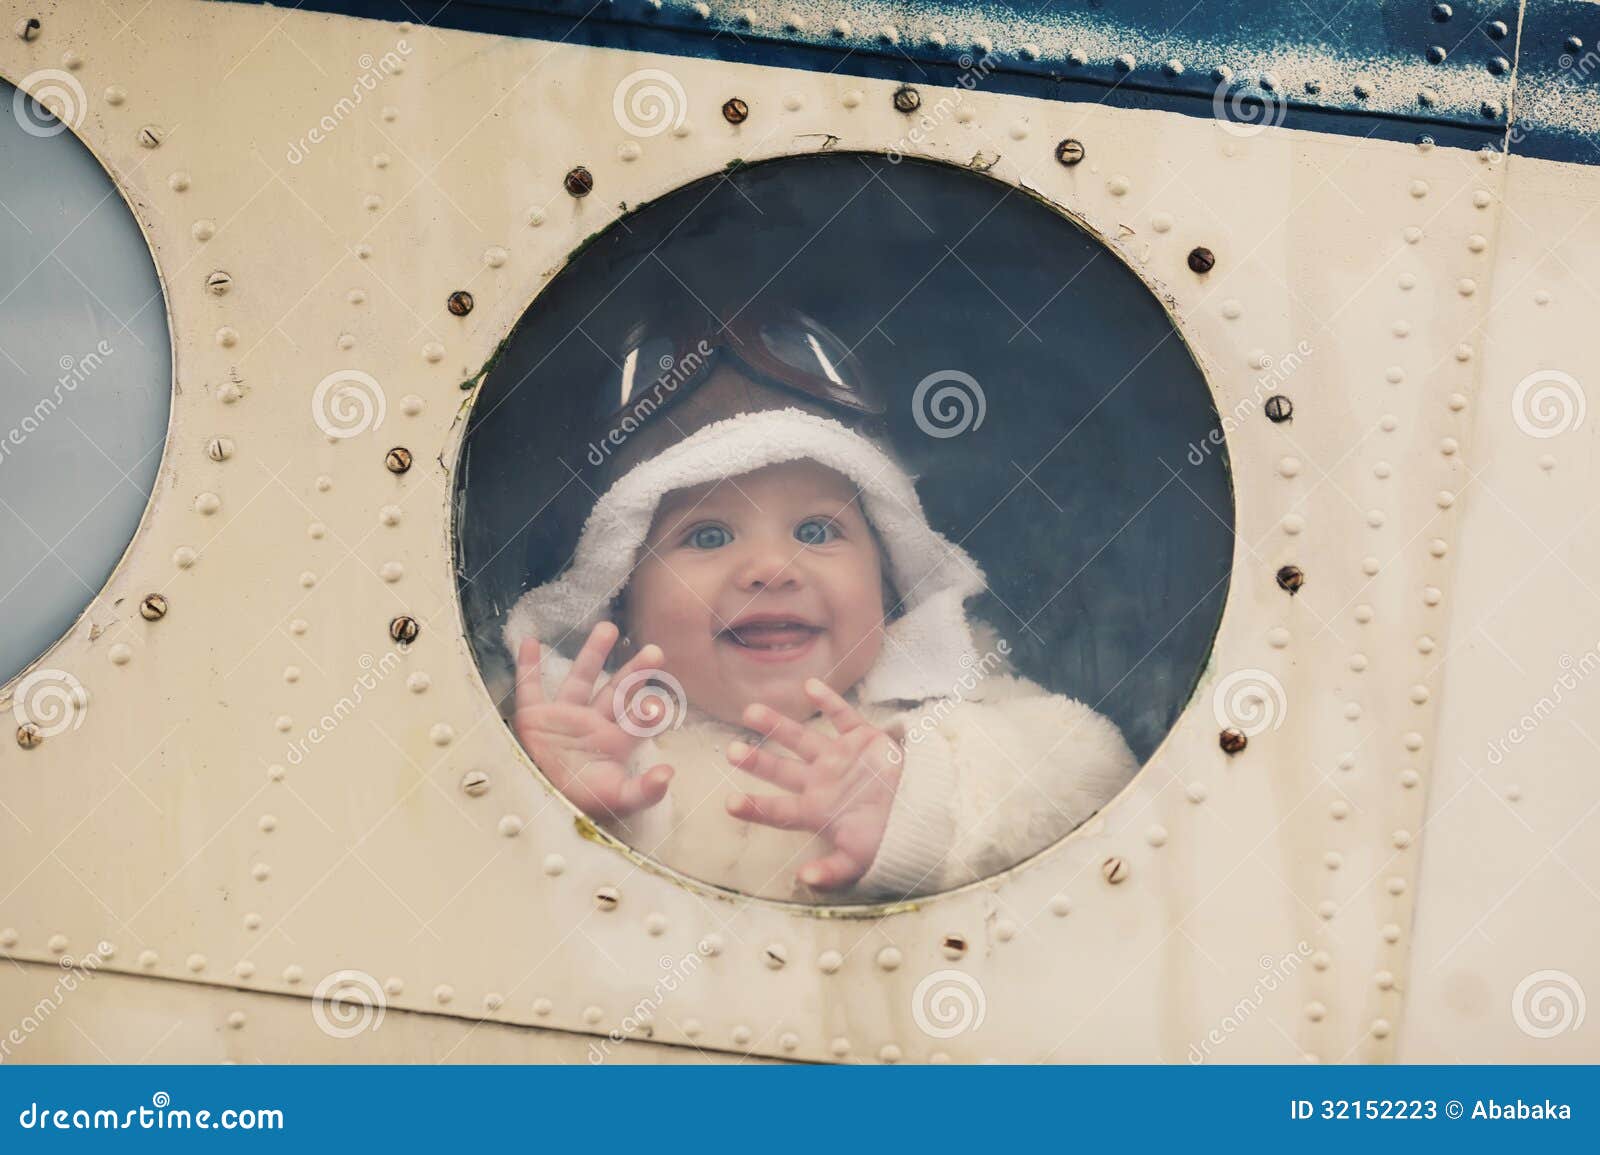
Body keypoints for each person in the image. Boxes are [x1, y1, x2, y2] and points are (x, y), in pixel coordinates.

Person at [501, 310, 1137, 902]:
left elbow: (1097, 779)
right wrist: (554, 801)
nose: (771, 570)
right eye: (708, 536)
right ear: (621, 603)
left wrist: (916, 808)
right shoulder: (591, 733)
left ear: (887, 587)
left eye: (815, 531)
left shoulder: (948, 708)